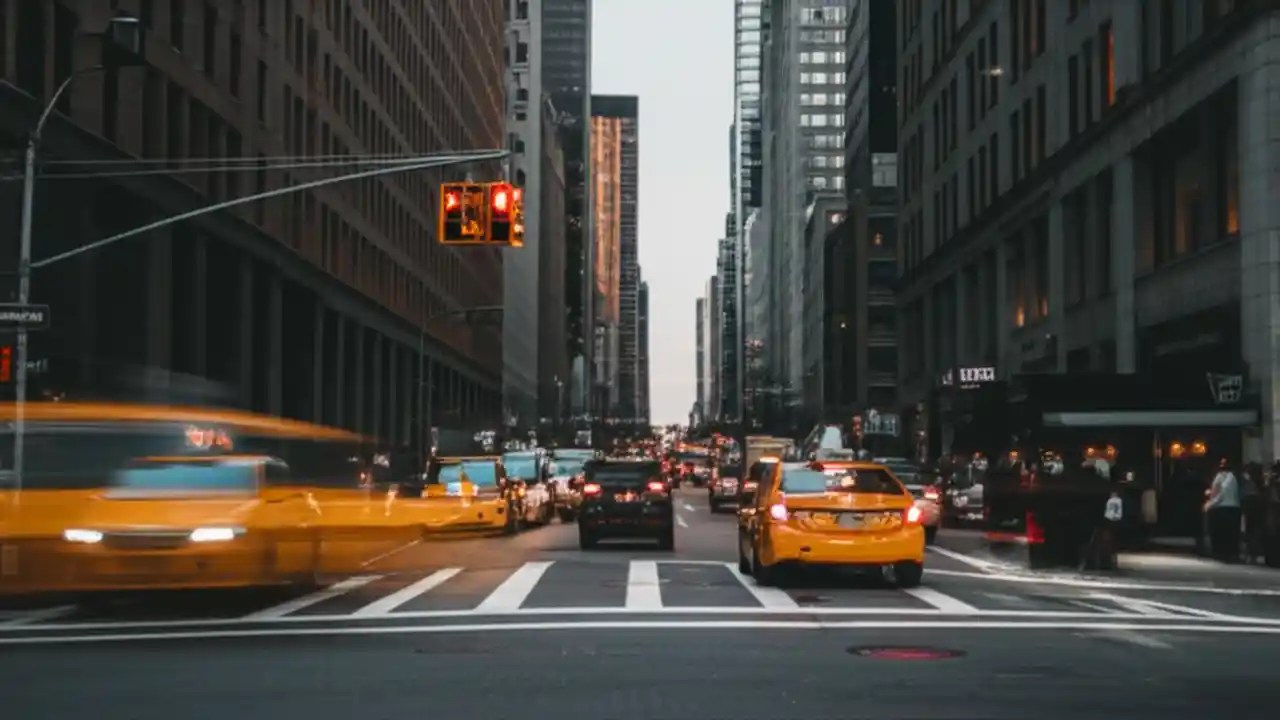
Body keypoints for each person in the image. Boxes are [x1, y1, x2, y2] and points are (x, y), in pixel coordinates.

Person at [1204, 458, 1242, 562]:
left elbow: (1221, 493)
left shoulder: (1224, 477)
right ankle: (1228, 553)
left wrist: (1210, 504)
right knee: (1230, 533)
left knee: (1223, 532)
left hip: (1224, 508)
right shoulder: (1231, 477)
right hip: (1231, 507)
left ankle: (1223, 553)